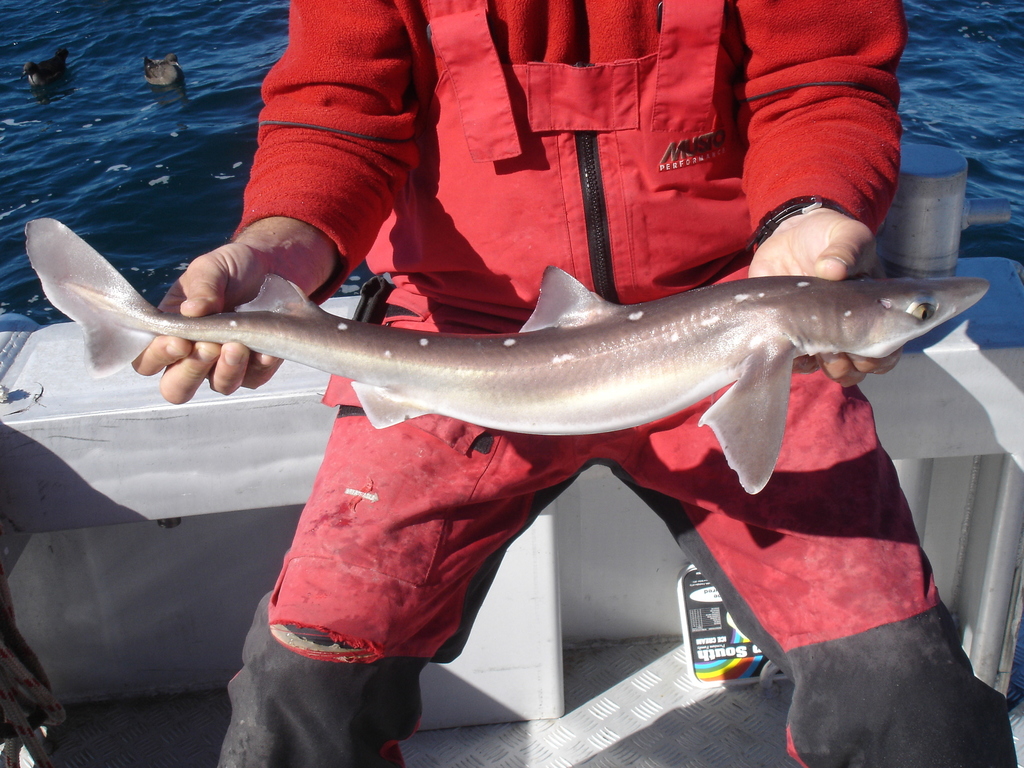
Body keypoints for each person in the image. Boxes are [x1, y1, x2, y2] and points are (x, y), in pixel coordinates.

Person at [133, 0, 1017, 765]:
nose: (923, 313)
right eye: (914, 311)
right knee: (301, 679)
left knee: (911, 696)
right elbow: (340, 111)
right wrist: (269, 248)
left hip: (727, 303)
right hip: (458, 340)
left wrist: (812, 212)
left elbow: (820, 75)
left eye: (912, 314)